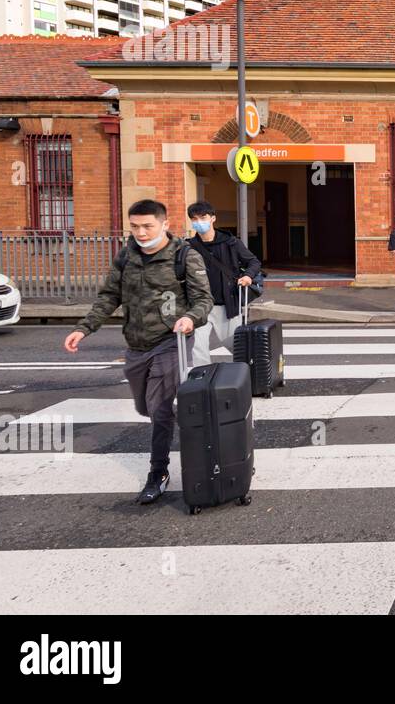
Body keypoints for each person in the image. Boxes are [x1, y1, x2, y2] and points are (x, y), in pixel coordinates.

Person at [63, 199, 212, 505]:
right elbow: (109, 296)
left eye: (148, 226)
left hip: (171, 342)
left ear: (164, 224)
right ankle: (181, 416)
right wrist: (84, 328)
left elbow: (203, 300)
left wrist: (189, 318)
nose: (141, 233)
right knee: (146, 408)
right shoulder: (126, 256)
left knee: (157, 410)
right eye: (135, 226)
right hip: (136, 345)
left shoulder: (185, 256)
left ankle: (158, 473)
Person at [184, 200, 262, 366]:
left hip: (226, 304)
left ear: (213, 218)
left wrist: (248, 276)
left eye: (203, 217)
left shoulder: (230, 243)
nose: (199, 222)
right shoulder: (188, 247)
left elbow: (254, 262)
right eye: (194, 219)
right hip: (198, 306)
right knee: (198, 347)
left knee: (234, 344)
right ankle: (202, 381)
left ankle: (248, 373)